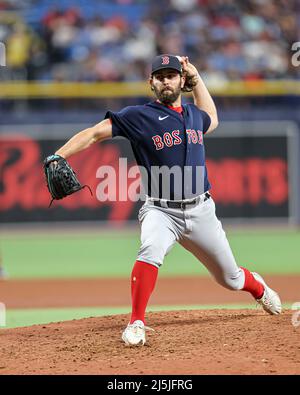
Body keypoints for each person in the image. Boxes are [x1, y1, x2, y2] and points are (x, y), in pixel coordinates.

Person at [53, 54, 282, 346]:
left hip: (201, 210)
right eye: (160, 76)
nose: (166, 80)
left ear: (181, 80)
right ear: (151, 82)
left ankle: (259, 289)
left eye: (171, 75)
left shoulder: (194, 116)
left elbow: (212, 117)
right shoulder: (139, 116)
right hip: (160, 210)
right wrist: (60, 154)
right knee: (150, 250)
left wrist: (197, 77)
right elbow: (94, 133)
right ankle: (137, 321)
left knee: (231, 278)